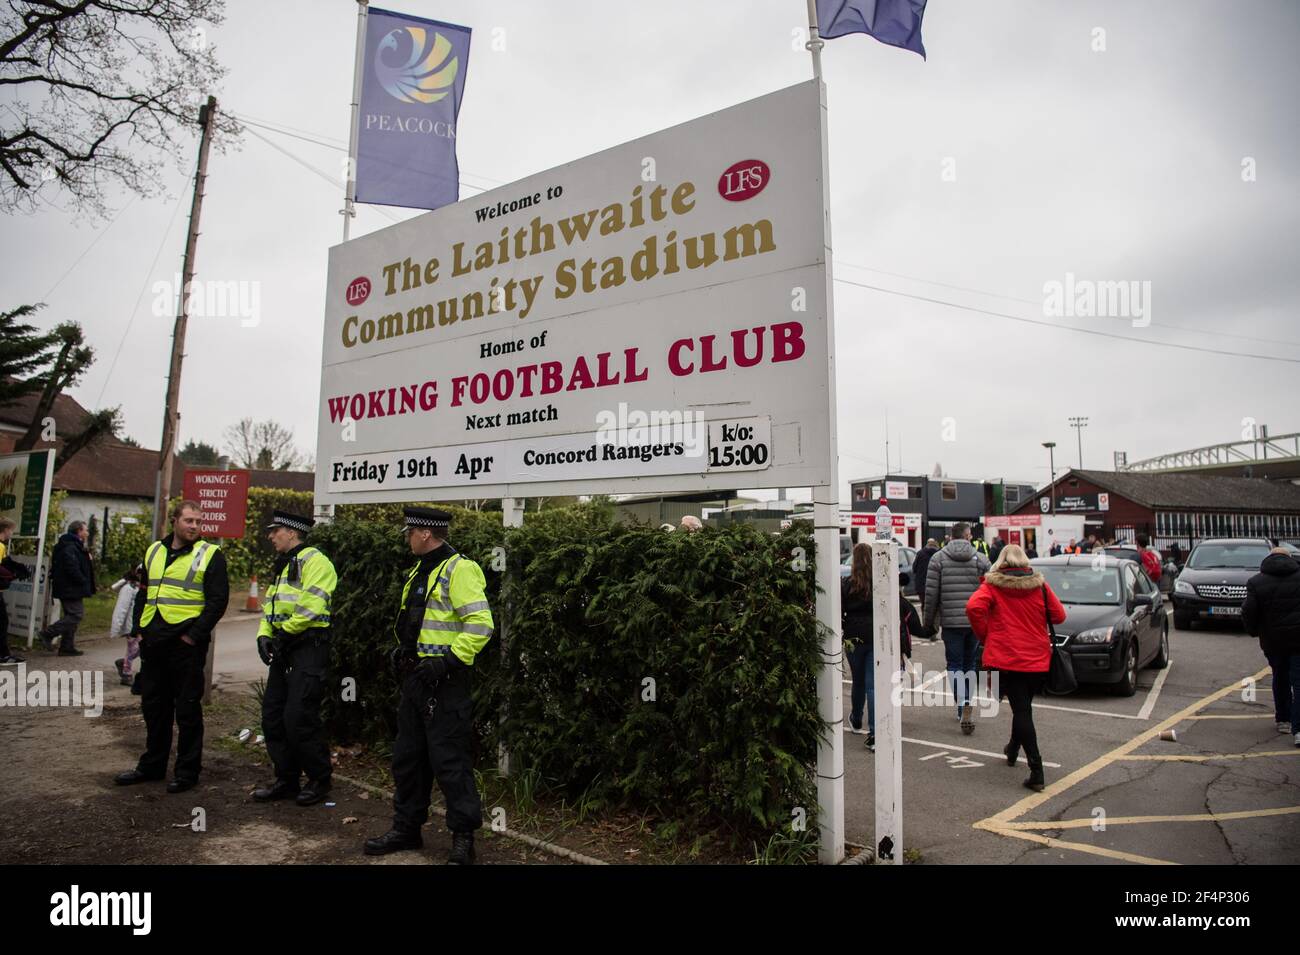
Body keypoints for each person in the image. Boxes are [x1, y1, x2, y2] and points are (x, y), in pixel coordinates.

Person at [365, 507, 494, 865]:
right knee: (408, 759)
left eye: (409, 533)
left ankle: (463, 839)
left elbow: (481, 625)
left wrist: (447, 661)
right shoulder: (420, 571)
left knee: (450, 762)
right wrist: (403, 652)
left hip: (446, 683)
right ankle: (407, 829)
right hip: (416, 680)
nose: (406, 538)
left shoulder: (460, 569)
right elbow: (416, 622)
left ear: (424, 533)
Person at [114, 500, 229, 793]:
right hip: (154, 642)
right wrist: (140, 630)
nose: (194, 526)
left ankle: (187, 772)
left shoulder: (210, 554)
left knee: (188, 709)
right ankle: (152, 766)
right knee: (154, 707)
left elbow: (217, 602)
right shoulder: (154, 550)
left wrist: (193, 636)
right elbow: (143, 592)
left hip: (186, 645)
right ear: (174, 521)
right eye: (189, 520)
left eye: (198, 522)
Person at [965, 544, 1067, 791]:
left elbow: (973, 608)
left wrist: (987, 635)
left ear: (1002, 561)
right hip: (1037, 657)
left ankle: (1037, 769)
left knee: (1021, 709)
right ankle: (1012, 749)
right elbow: (1059, 615)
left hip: (1007, 657)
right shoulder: (1039, 585)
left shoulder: (993, 586)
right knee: (1023, 707)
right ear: (1024, 562)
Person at [253, 511, 338, 807]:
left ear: (292, 532)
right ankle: (286, 779)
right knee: (273, 716)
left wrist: (283, 635)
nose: (271, 535)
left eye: (275, 530)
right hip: (285, 646)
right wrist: (264, 635)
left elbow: (311, 606)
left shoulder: (317, 562)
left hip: (308, 647)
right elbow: (271, 608)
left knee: (299, 716)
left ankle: (319, 779)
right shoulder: (283, 565)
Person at [841, 543, 921, 751]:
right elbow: (898, 607)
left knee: (857, 680)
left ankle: (856, 718)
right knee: (873, 684)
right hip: (877, 635)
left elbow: (839, 610)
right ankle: (875, 732)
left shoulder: (847, 584)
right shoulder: (881, 582)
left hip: (853, 637)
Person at [922, 521, 991, 734]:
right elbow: (990, 591)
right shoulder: (981, 560)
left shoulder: (938, 559)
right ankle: (967, 700)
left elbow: (931, 594)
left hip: (951, 622)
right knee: (970, 663)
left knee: (954, 664)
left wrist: (928, 621)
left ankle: (961, 705)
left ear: (951, 536)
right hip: (974, 621)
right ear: (968, 536)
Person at [1243, 547, 1300, 745]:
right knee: (1299, 682)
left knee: (1280, 677)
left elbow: (1249, 610)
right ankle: (1298, 729)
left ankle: (1283, 719)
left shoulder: (1256, 582)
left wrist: (1254, 631)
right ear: (1290, 558)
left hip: (1273, 640)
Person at [40, 520, 95, 656]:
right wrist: (82, 580)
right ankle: (48, 634)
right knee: (76, 615)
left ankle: (66, 646)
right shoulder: (70, 546)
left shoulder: (71, 545)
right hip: (70, 587)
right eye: (85, 530)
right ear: (79, 531)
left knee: (71, 615)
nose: (87, 533)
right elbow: (71, 567)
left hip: (69, 587)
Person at [0, 517, 33, 665]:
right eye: (11, 530)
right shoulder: (0, 546)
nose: (12, 533)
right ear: (6, 530)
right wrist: (11, 575)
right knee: (2, 621)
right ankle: (3, 655)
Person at [111, 565, 144, 686]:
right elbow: (121, 608)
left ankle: (124, 665)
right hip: (131, 626)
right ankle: (126, 674)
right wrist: (118, 626)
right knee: (135, 648)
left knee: (139, 648)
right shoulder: (129, 588)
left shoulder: (141, 587)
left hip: (140, 624)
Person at [912, 538, 939, 609]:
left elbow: (914, 569)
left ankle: (925, 619)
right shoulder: (940, 554)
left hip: (921, 585)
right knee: (935, 607)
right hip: (935, 585)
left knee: (924, 605)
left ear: (927, 544)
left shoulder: (920, 554)